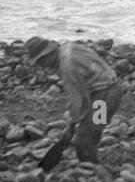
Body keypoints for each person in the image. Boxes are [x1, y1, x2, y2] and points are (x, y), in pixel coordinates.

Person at [25, 36, 123, 164]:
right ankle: (92, 161)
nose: (42, 65)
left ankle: (93, 170)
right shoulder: (69, 48)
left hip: (104, 99)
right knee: (92, 129)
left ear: (48, 54)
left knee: (84, 138)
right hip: (107, 89)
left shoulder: (67, 67)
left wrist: (71, 124)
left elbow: (77, 99)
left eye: (41, 60)